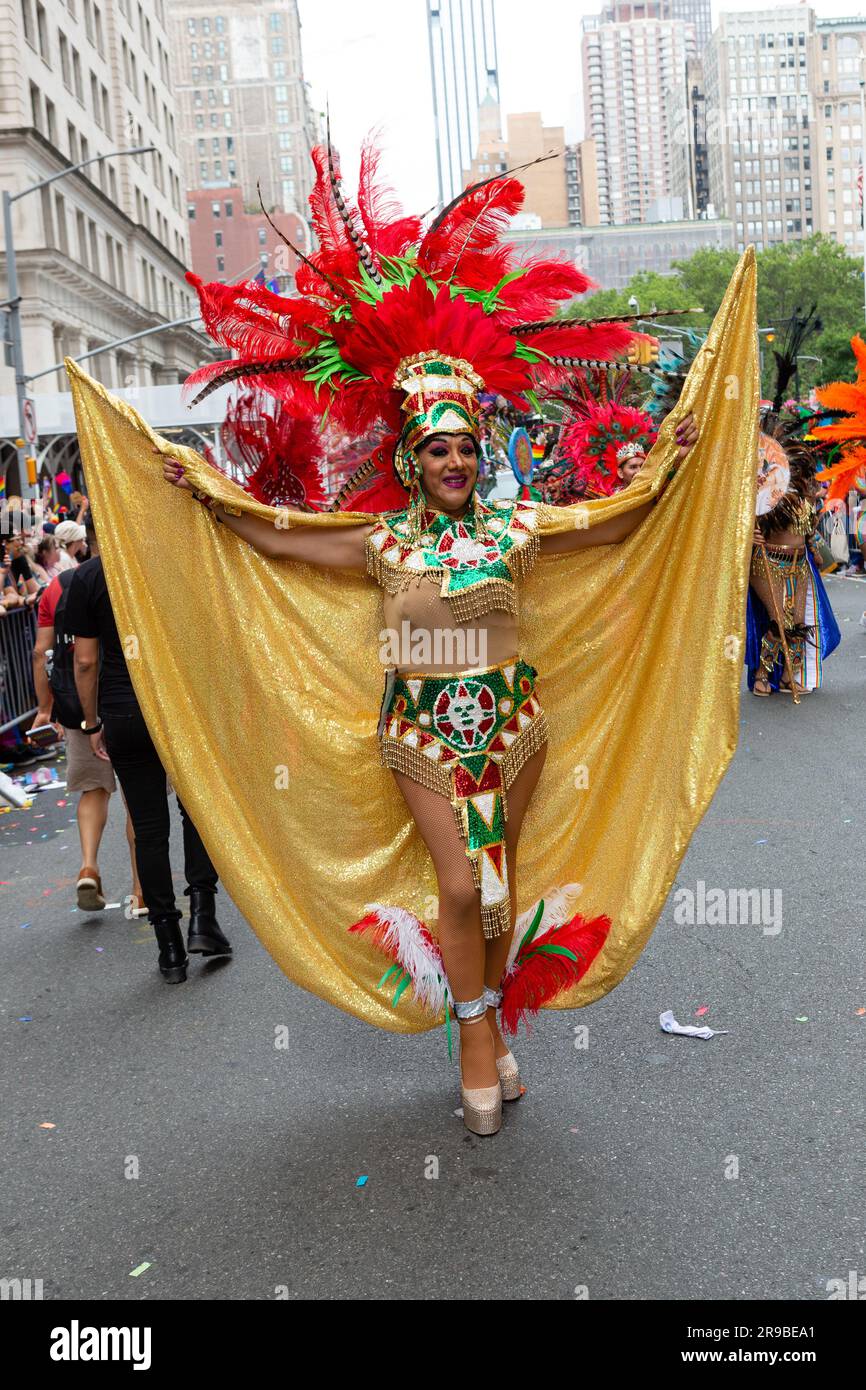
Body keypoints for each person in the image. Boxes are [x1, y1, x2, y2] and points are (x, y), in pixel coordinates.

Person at [68, 139, 758, 1136]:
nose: (451, 462)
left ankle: (494, 1021)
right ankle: (474, 1032)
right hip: (422, 732)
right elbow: (278, 537)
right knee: (454, 877)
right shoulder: (382, 539)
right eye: (434, 448)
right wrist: (202, 493)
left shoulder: (514, 528)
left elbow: (615, 518)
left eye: (465, 449)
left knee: (495, 890)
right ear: (409, 452)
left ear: (480, 456)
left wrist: (671, 461)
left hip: (513, 726)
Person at [63, 515, 231, 982]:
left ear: (96, 536)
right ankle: (202, 915)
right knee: (195, 811)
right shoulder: (164, 565)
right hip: (178, 706)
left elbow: (85, 660)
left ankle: (169, 947)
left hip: (123, 711)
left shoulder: (87, 578)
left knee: (149, 828)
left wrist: (92, 720)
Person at [31, 527, 144, 914]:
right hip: (130, 698)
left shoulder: (58, 586)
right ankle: (142, 889)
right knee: (138, 798)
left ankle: (88, 866)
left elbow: (41, 652)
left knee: (93, 791)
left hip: (79, 705)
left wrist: (46, 709)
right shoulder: (134, 573)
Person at [748, 425, 840, 696]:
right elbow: (737, 523)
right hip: (768, 564)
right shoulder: (768, 496)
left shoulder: (807, 500)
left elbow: (808, 532)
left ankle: (790, 674)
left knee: (799, 623)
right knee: (780, 620)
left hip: (799, 565)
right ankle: (761, 673)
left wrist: (814, 547)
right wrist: (747, 533)